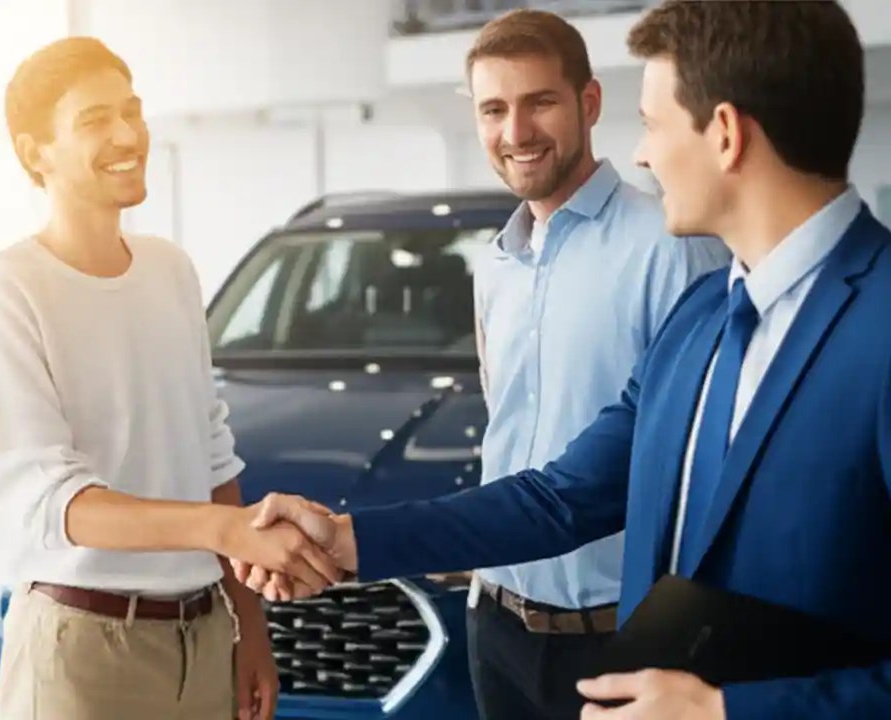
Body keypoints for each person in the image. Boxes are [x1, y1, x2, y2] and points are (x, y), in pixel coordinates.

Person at [242, 2, 891, 718]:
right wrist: (348, 539)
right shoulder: (702, 317)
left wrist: (725, 711)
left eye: (653, 125)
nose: (641, 155)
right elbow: (559, 498)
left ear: (726, 135)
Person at [0, 37, 337, 720]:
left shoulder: (170, 269)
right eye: (94, 120)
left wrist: (248, 625)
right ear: (35, 153)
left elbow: (210, 450)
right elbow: (53, 500)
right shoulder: (10, 286)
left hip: (203, 635)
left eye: (132, 111)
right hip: (82, 653)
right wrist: (225, 530)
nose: (126, 134)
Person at [453, 11, 726, 718]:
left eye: (539, 102)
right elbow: (505, 424)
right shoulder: (496, 264)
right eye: (493, 109)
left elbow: (708, 467)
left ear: (590, 102)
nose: (516, 132)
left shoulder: (672, 247)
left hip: (618, 637)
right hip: (496, 627)